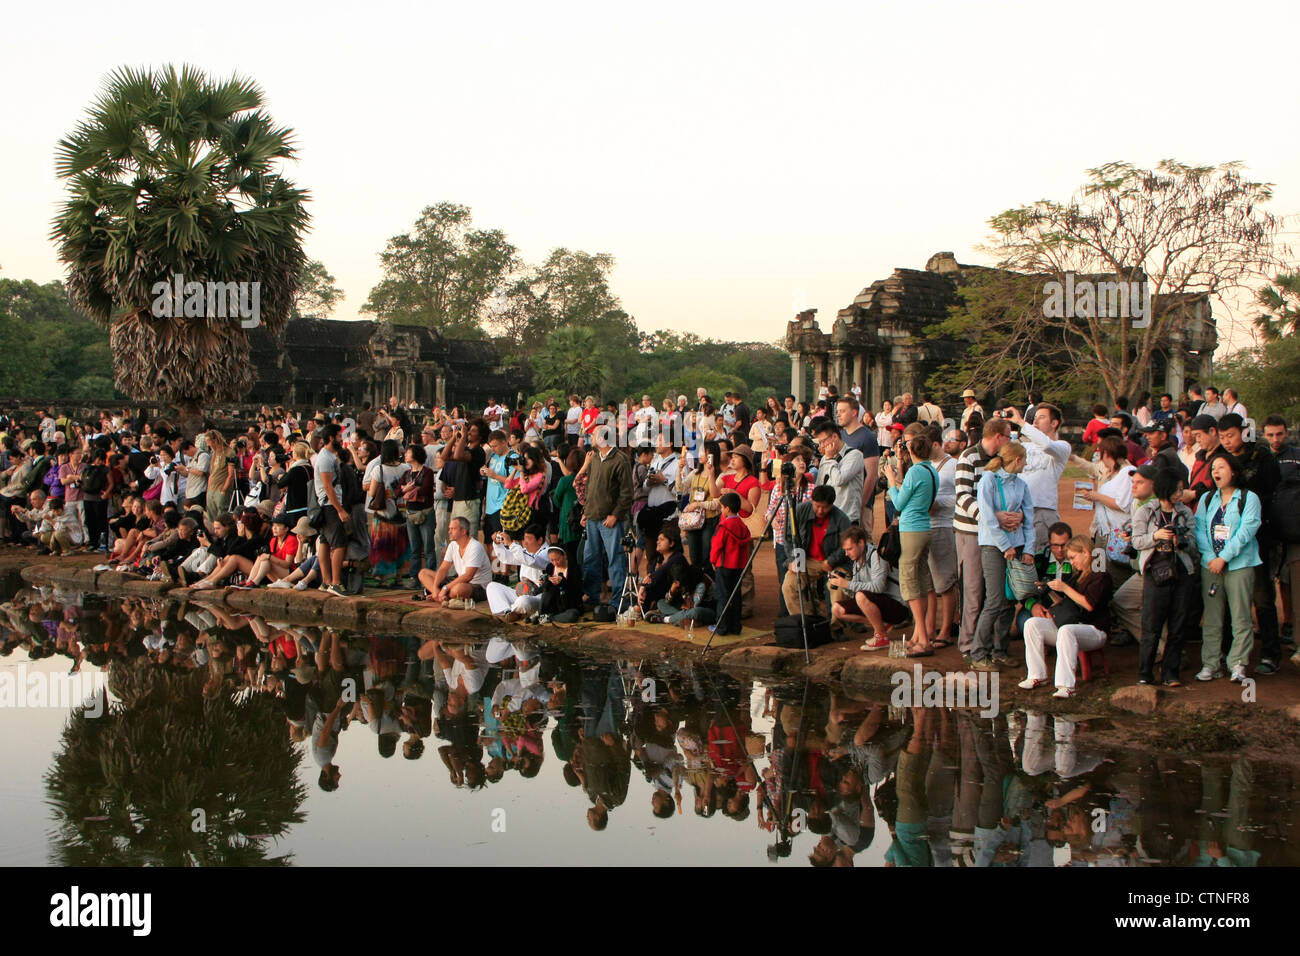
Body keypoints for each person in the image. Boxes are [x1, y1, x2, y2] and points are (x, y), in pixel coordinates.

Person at [1018, 535, 1113, 699]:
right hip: (1072, 626)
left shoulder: (1100, 575)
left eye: (1073, 557)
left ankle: (1066, 686)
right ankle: (1036, 675)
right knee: (1032, 624)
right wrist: (1051, 589)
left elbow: (1089, 604)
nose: (1072, 562)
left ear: (1085, 552)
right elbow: (1068, 603)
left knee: (1066, 631)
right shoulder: (1079, 575)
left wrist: (1065, 587)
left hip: (1095, 630)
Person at [1194, 455, 1262, 683]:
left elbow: (1247, 530)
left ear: (1234, 471)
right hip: (1210, 566)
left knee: (1240, 616)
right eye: (1213, 468)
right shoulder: (1206, 499)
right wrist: (1211, 557)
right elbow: (1200, 530)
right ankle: (1210, 664)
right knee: (1212, 617)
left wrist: (1223, 557)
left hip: (1239, 565)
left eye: (1221, 467)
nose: (1216, 471)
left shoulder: (1248, 498)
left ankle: (1238, 664)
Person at [971, 441, 1035, 672]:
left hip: (1016, 547)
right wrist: (1006, 545)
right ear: (1016, 460)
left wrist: (1028, 549)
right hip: (993, 547)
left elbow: (1029, 517)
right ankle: (978, 653)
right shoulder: (989, 480)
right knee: (995, 600)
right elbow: (988, 517)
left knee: (1009, 600)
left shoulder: (1022, 484)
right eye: (1024, 460)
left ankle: (1000, 651)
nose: (1026, 464)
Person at [1131, 469, 1198, 686]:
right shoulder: (1146, 512)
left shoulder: (1185, 513)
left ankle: (1171, 673)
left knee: (1178, 625)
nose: (1181, 493)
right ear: (1166, 489)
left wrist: (1181, 541)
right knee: (1151, 624)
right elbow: (1136, 541)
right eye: (1177, 489)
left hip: (1181, 572)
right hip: (1156, 572)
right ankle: (1145, 672)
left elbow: (1194, 543)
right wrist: (1156, 536)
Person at [884, 432, 939, 655]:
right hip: (925, 527)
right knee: (922, 580)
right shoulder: (931, 470)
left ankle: (923, 640)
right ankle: (919, 634)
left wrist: (890, 478)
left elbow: (898, 502)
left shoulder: (916, 471)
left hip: (912, 529)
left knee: (909, 581)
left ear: (912, 451)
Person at [831, 525, 909, 650]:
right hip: (879, 604)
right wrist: (843, 584)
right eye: (845, 550)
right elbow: (855, 593)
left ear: (861, 543)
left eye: (850, 549)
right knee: (837, 609)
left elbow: (878, 587)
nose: (846, 554)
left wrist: (847, 584)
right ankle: (881, 625)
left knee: (861, 596)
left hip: (898, 607)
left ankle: (881, 636)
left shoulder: (876, 555)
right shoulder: (857, 562)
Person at [582, 426, 633, 614]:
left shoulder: (621, 459)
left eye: (593, 435)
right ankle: (591, 597)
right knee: (590, 559)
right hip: (592, 516)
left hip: (611, 519)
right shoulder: (595, 457)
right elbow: (589, 487)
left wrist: (616, 514)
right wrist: (585, 512)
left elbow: (627, 493)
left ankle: (619, 602)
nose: (591, 437)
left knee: (616, 559)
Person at [1007, 402, 1071, 549]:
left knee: (1039, 559)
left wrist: (1021, 423)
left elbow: (1047, 445)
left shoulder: (1062, 447)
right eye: (1035, 417)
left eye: (1041, 417)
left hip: (1042, 511)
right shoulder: (1024, 447)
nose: (1036, 421)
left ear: (1054, 423)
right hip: (1018, 511)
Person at [780, 484, 848, 620]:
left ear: (832, 505)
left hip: (833, 562)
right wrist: (792, 560)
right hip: (808, 560)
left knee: (837, 588)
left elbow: (846, 546)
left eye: (825, 507)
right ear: (812, 501)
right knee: (789, 586)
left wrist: (832, 560)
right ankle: (805, 622)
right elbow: (788, 536)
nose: (821, 510)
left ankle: (835, 627)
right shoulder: (800, 510)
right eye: (817, 506)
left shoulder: (841, 518)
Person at [1077, 436, 1136, 588]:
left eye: (1101, 453)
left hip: (1116, 535)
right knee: (1098, 572)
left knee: (1114, 576)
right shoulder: (1113, 474)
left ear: (1107, 454)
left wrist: (1097, 496)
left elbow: (1122, 504)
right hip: (1103, 532)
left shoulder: (1127, 472)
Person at [419, 515, 493, 608]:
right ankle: (440, 597)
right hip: (459, 580)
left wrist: (445, 588)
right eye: (449, 528)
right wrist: (435, 588)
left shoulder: (475, 546)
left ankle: (442, 597)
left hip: (479, 586)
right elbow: (443, 568)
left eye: (453, 529)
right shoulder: (452, 545)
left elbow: (468, 576)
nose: (449, 532)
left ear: (463, 531)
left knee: (458, 590)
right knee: (423, 573)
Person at [710, 492, 752, 636]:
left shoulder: (724, 525)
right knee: (736, 596)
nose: (721, 510)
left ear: (727, 509)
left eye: (722, 507)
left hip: (724, 564)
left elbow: (716, 545)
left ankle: (721, 627)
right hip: (738, 566)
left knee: (723, 596)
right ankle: (735, 626)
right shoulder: (742, 526)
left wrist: (713, 560)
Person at [812, 419, 864, 524]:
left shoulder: (855, 455)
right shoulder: (825, 458)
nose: (821, 446)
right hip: (828, 517)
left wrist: (830, 459)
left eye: (823, 441)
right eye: (820, 442)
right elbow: (819, 485)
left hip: (847, 518)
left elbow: (839, 480)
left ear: (835, 437)